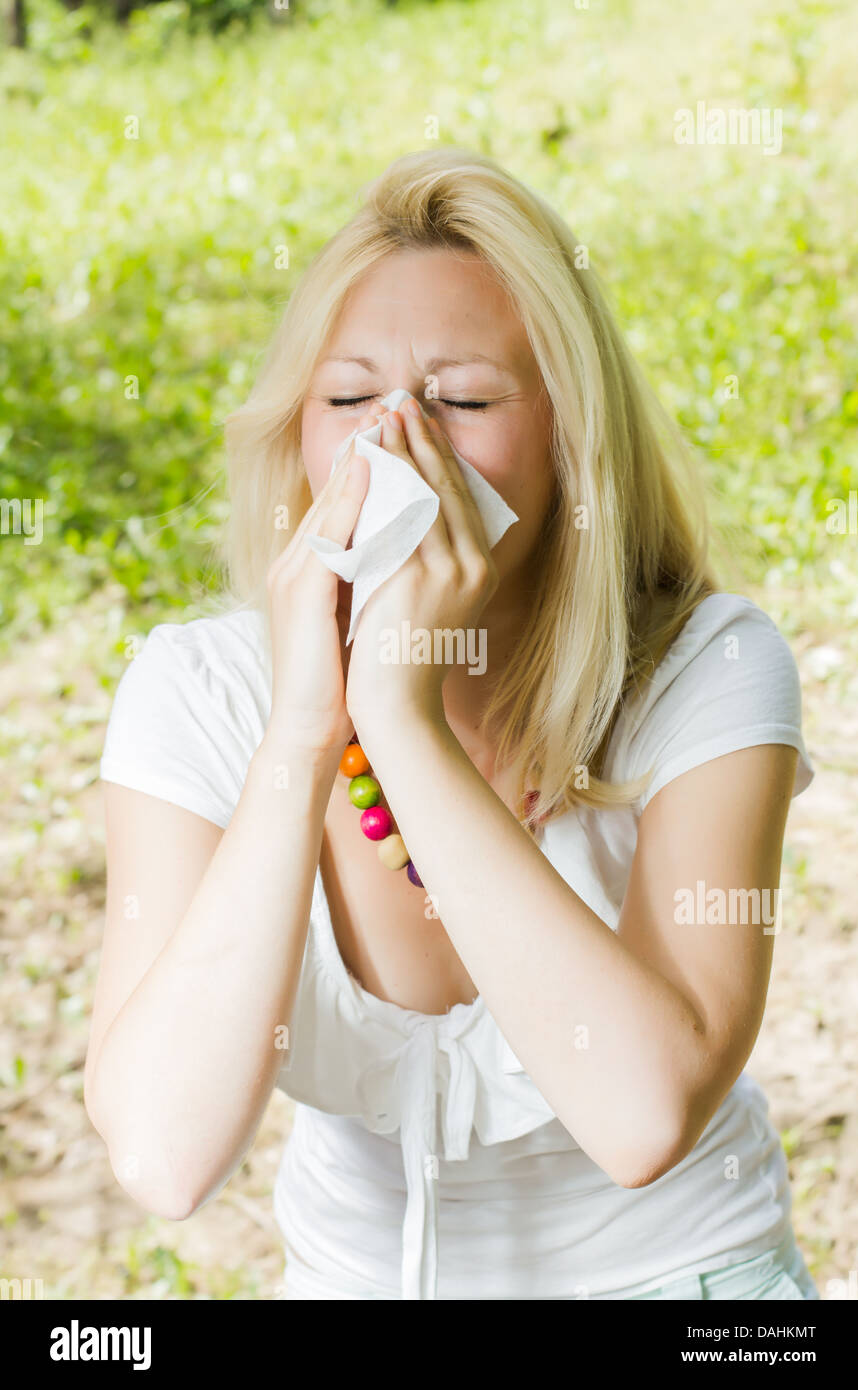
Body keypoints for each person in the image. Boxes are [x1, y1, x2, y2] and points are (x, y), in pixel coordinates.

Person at [85, 147, 820, 1301]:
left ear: (573, 445)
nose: (391, 446)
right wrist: (302, 733)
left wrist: (401, 716)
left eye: (462, 401)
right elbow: (161, 1156)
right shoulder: (198, 690)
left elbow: (640, 1116)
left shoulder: (710, 666)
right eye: (346, 400)